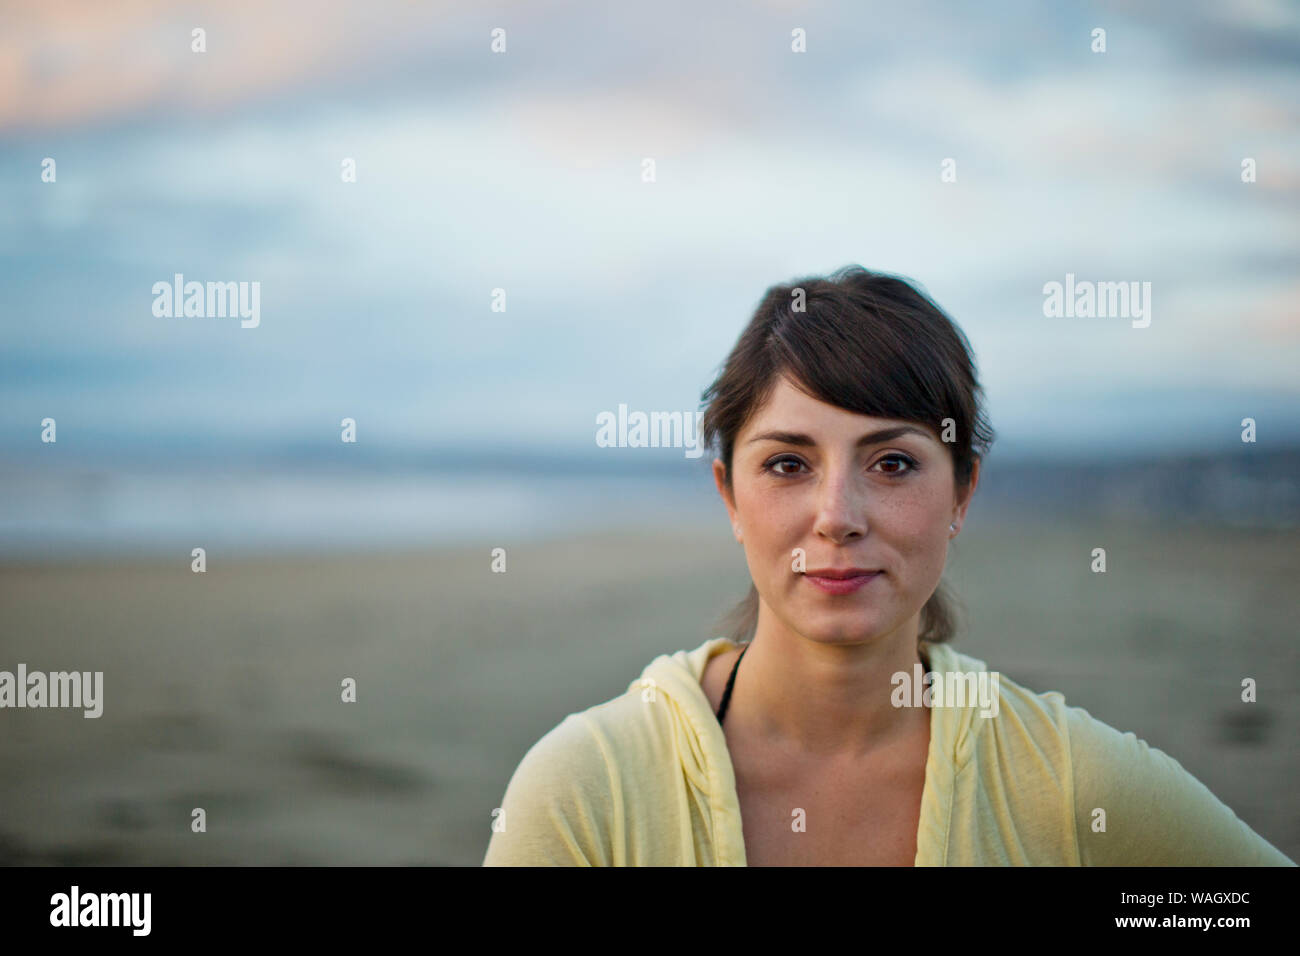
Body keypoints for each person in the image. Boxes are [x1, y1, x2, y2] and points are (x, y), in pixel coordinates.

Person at [482, 265, 1295, 866]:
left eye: (894, 464)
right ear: (730, 495)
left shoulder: (1066, 782)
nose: (838, 516)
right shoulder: (590, 789)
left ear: (963, 493)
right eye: (789, 465)